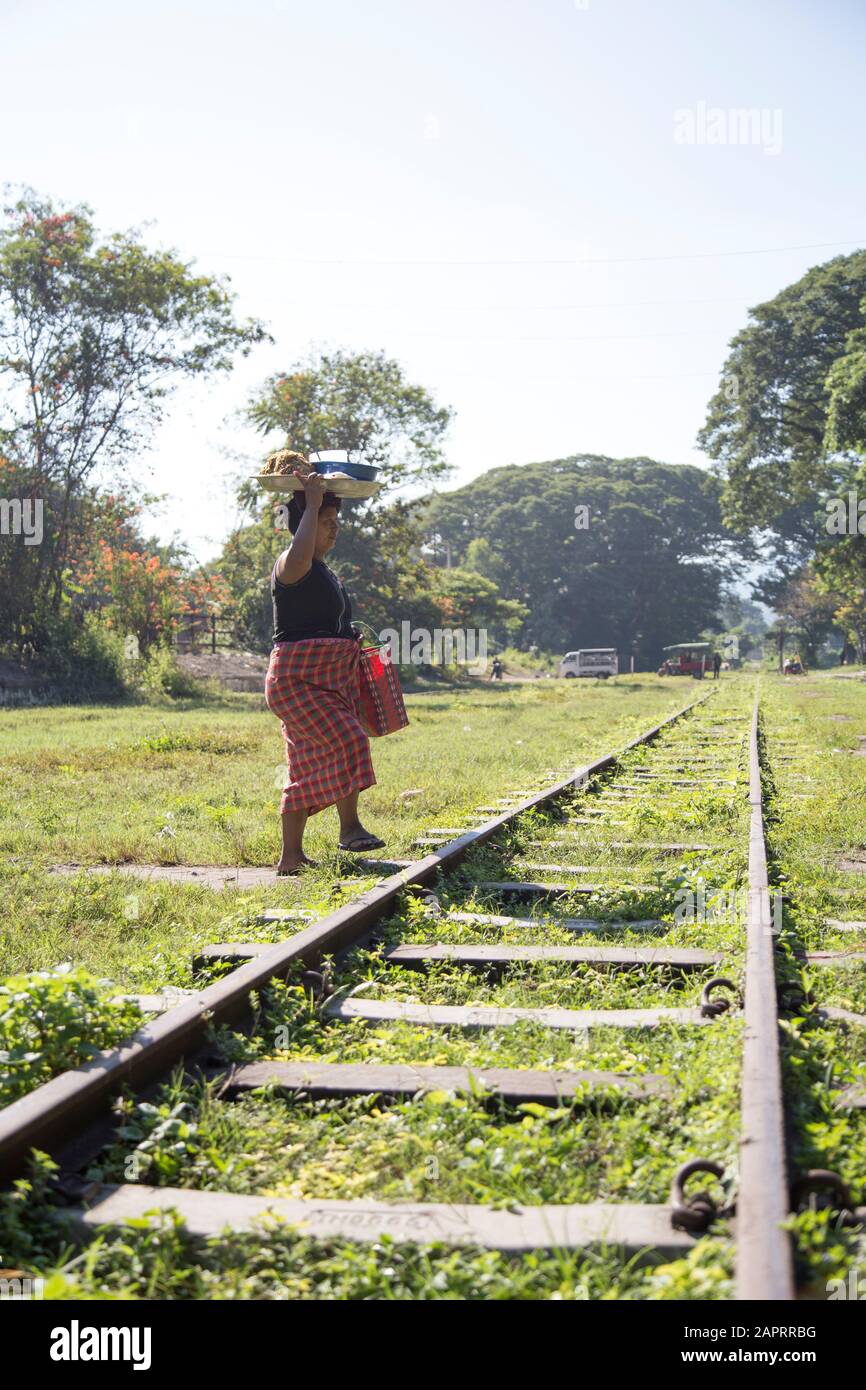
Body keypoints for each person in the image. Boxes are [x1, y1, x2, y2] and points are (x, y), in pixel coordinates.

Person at [264, 455, 384, 875]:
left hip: (329, 682)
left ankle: (290, 858)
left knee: (302, 765)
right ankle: (349, 828)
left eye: (336, 521)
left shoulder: (325, 572)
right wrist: (312, 506)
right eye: (326, 521)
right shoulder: (290, 565)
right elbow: (300, 546)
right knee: (351, 738)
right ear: (303, 525)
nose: (334, 529)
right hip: (298, 684)